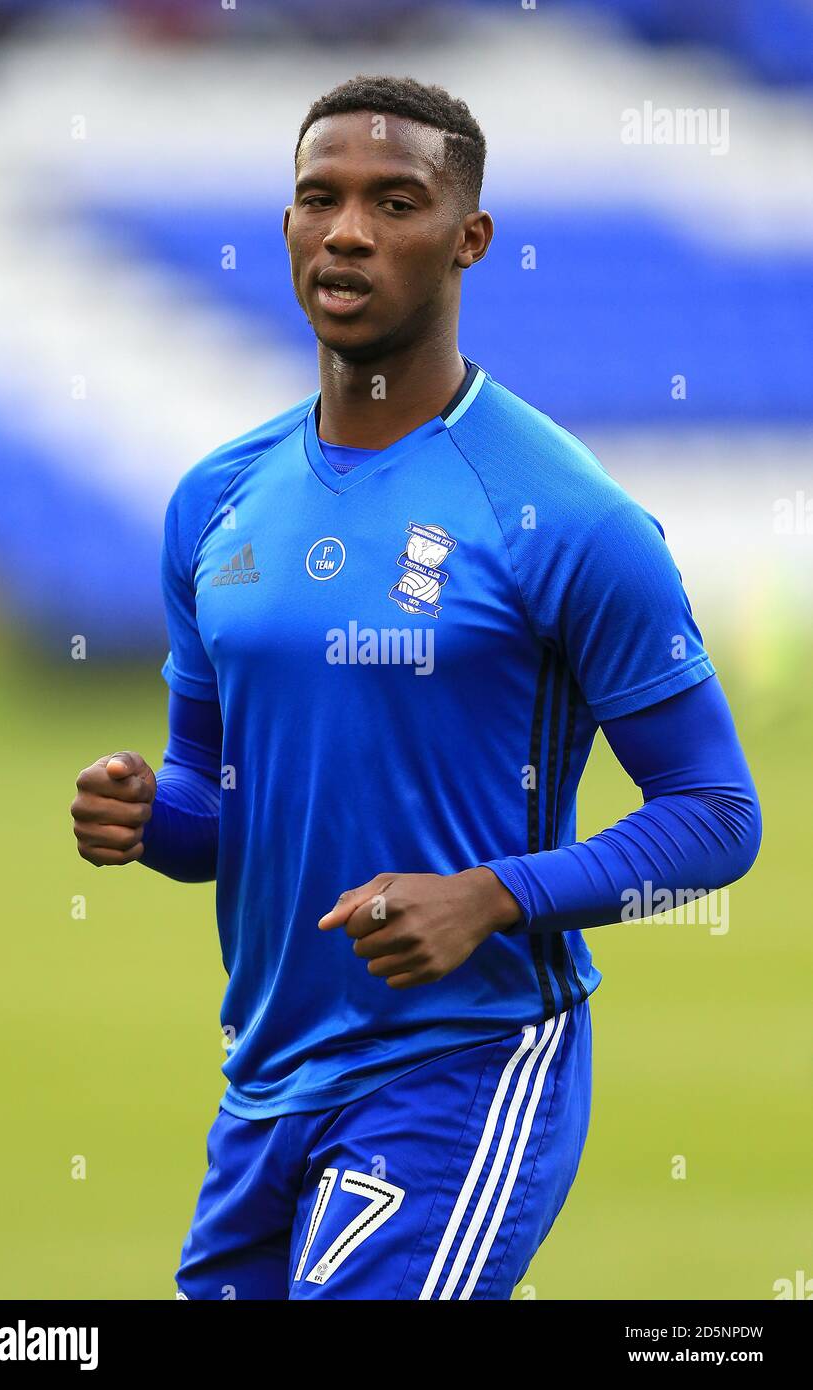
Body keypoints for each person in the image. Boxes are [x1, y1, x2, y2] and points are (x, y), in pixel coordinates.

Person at [70, 75, 761, 1300]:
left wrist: (490, 897)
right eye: (318, 198)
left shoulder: (565, 514)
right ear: (287, 224)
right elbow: (214, 805)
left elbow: (715, 815)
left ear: (467, 238)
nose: (346, 231)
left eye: (395, 202)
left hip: (464, 1069)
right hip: (266, 1084)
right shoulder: (214, 499)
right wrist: (146, 818)